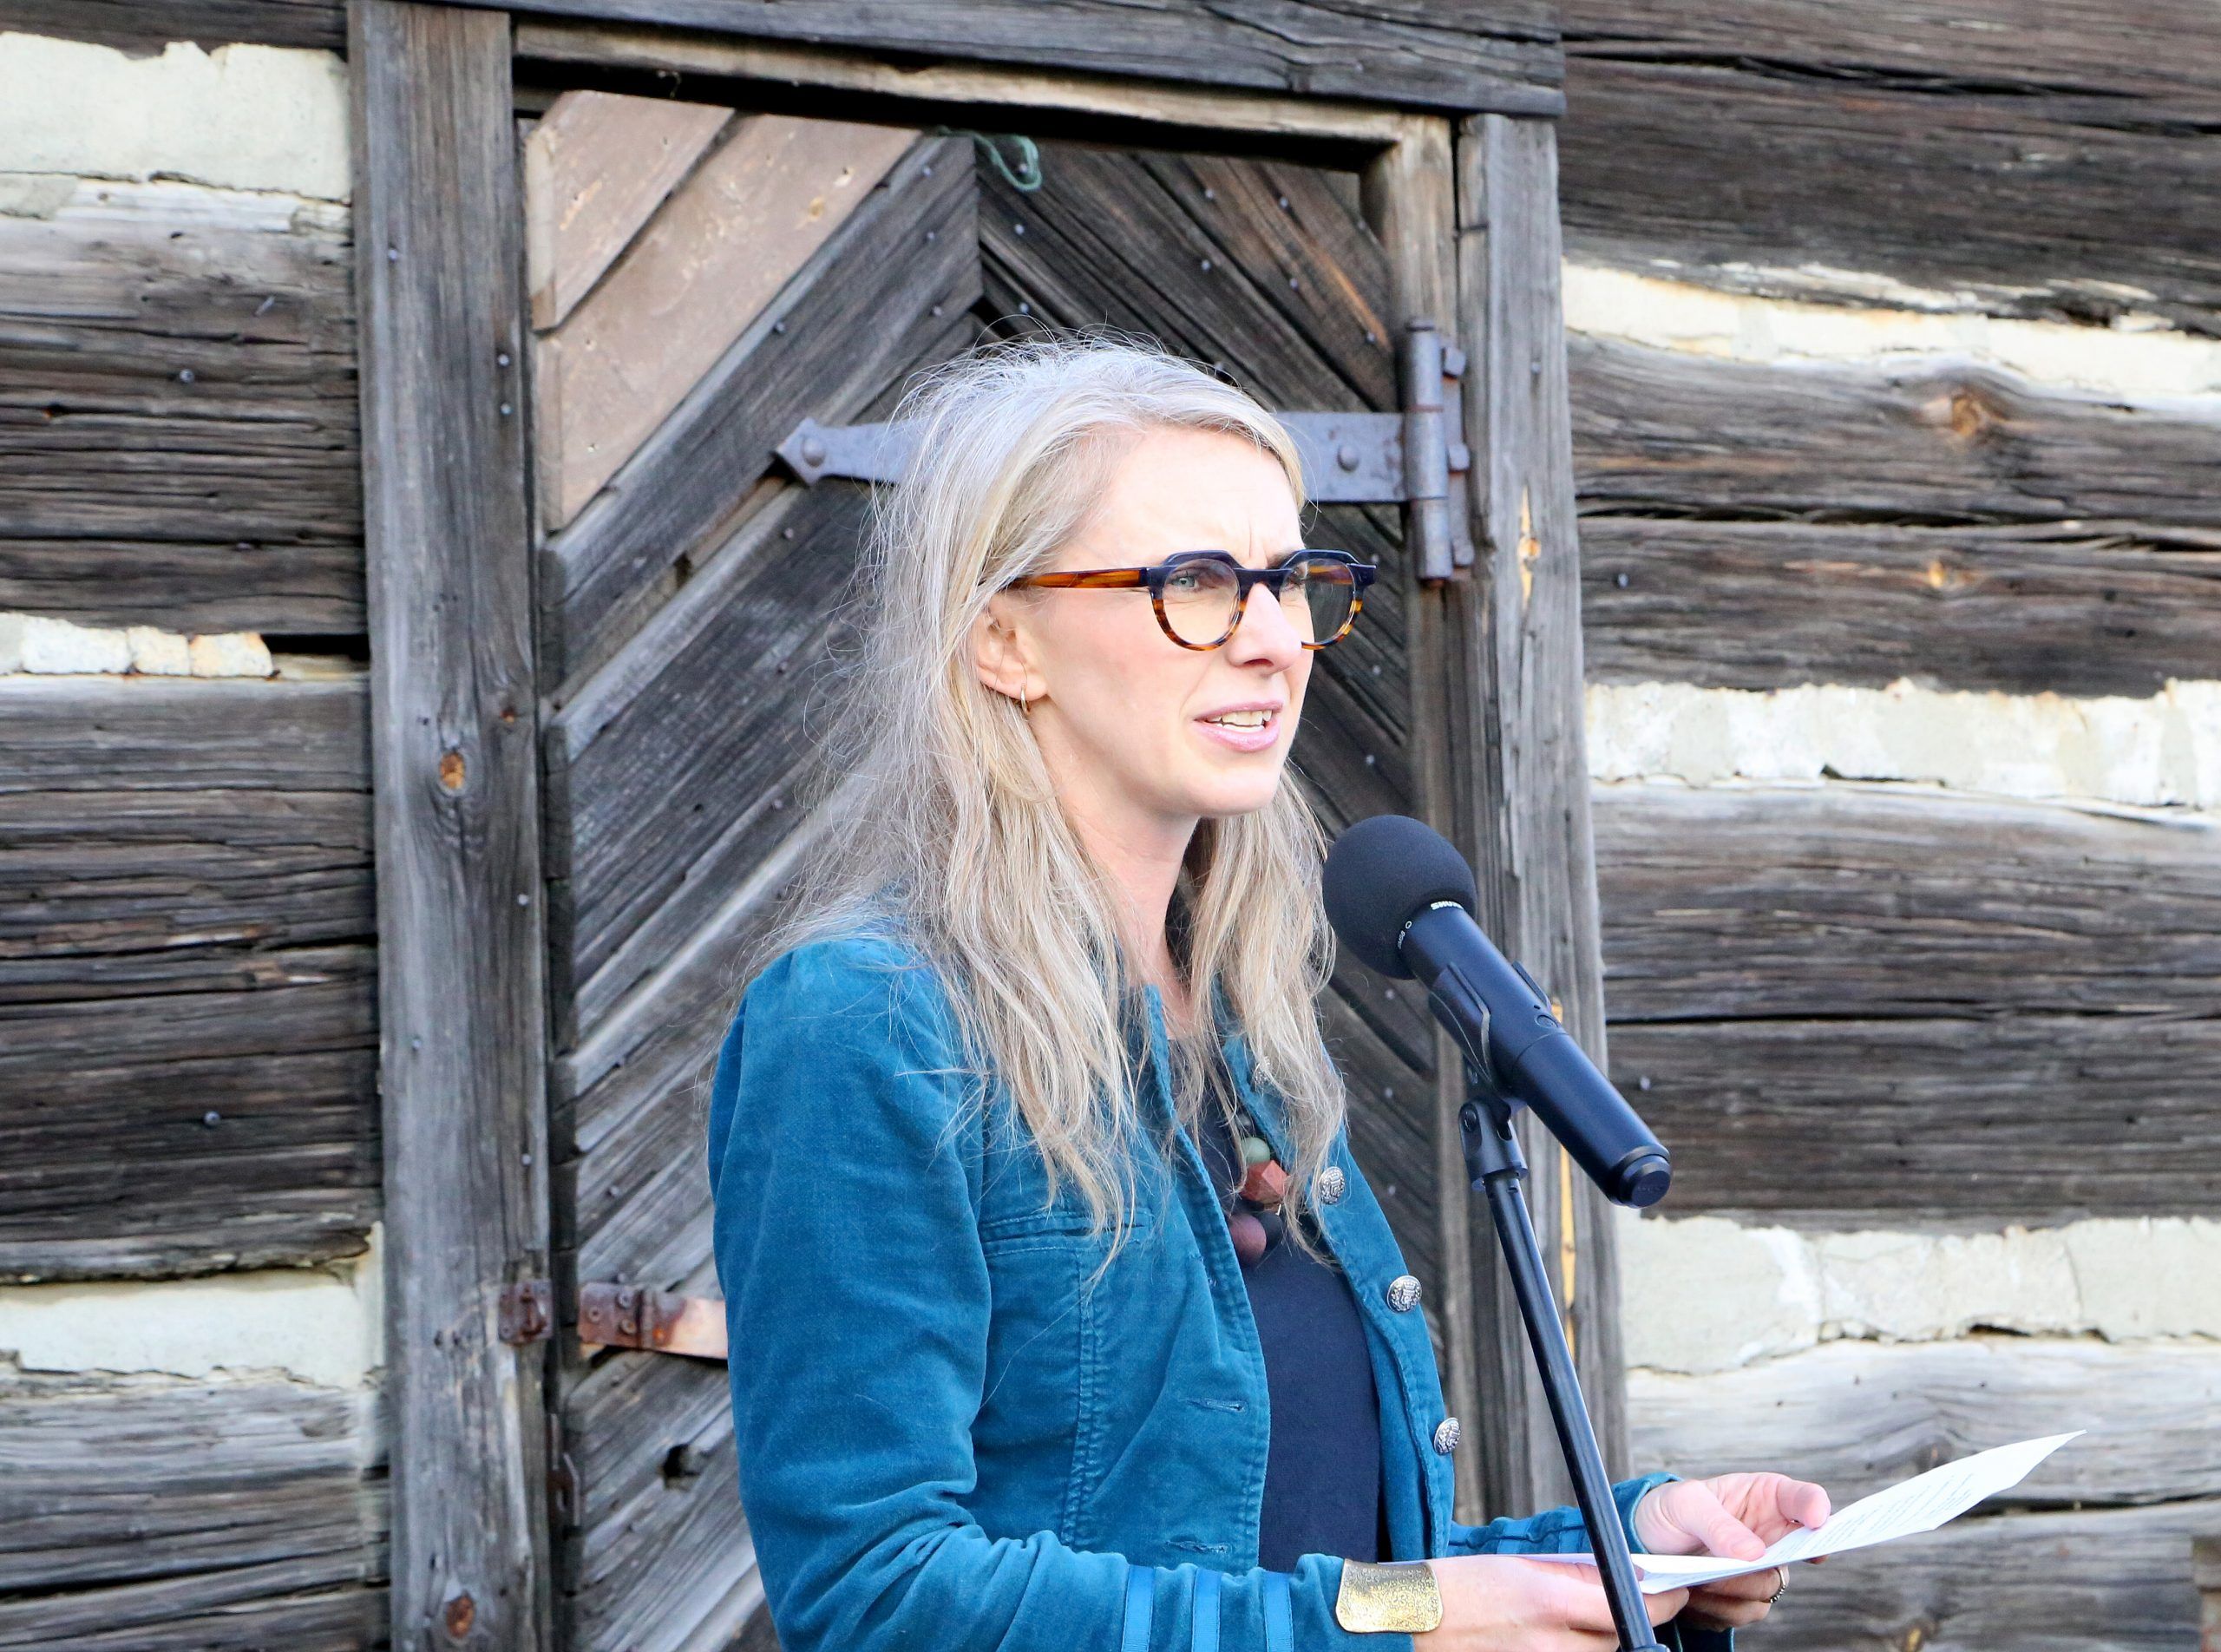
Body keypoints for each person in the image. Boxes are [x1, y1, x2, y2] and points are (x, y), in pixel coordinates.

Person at [705, 334, 1829, 1652]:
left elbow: (1320, 1568)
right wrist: (1403, 1623)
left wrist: (1626, 1545)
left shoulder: (1243, 1037)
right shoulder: (868, 1027)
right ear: (1005, 640)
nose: (1274, 641)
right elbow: (878, 1597)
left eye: (1290, 580)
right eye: (1197, 582)